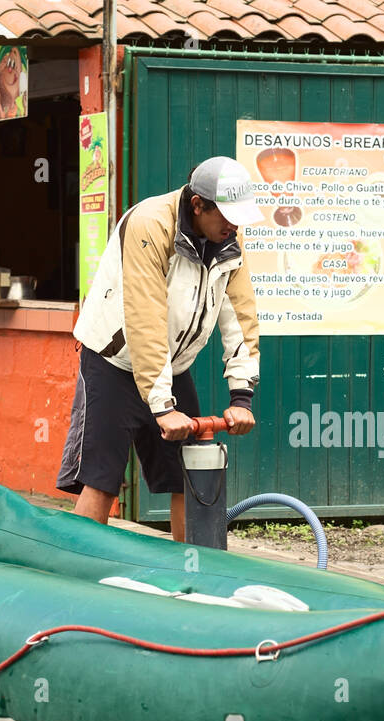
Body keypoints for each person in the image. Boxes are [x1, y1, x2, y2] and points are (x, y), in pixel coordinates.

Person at [57, 156, 262, 541]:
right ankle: (76, 569)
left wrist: (242, 396)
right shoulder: (150, 224)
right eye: (226, 215)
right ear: (197, 204)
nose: (234, 225)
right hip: (114, 360)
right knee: (103, 479)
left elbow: (240, 316)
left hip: (171, 365)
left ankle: (191, 571)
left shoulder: (229, 239)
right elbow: (144, 315)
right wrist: (163, 408)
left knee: (187, 475)